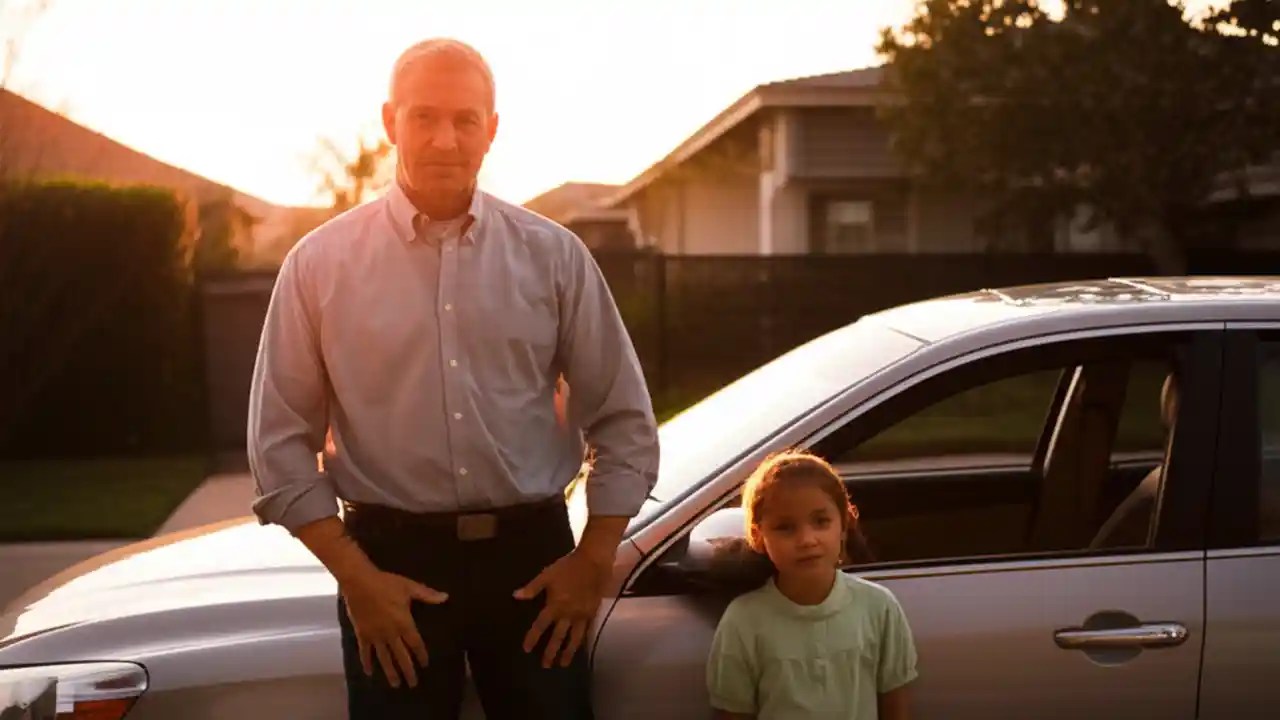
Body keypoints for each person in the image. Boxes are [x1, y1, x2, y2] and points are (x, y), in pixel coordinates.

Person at [246, 37, 659, 720]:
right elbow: (278, 444)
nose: (445, 139)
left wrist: (593, 561)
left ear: (492, 130)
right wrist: (356, 579)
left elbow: (623, 421)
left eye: (466, 119)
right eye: (424, 117)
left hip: (536, 570)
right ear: (389, 122)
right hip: (386, 564)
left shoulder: (554, 257)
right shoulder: (318, 265)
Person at [706, 450, 917, 720]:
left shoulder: (879, 607)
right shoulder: (743, 620)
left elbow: (895, 706)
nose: (806, 539)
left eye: (820, 522)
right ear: (759, 537)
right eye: (785, 527)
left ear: (843, 525)